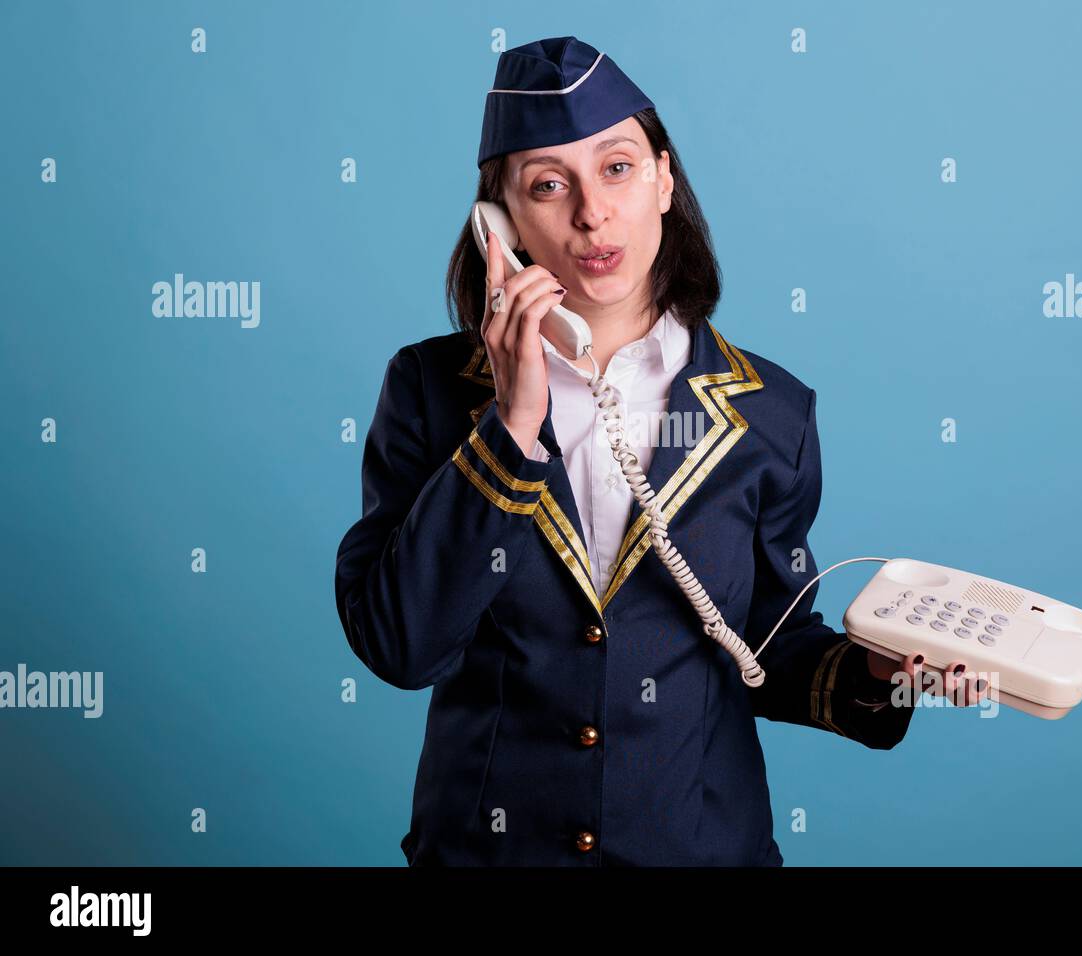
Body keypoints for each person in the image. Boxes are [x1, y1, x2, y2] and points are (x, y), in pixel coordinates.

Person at [334, 35, 989, 867]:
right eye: (547, 184)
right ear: (498, 223)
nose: (591, 214)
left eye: (617, 168)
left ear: (665, 181)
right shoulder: (430, 389)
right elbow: (400, 645)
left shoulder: (770, 413)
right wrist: (511, 423)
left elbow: (768, 649)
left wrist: (884, 672)